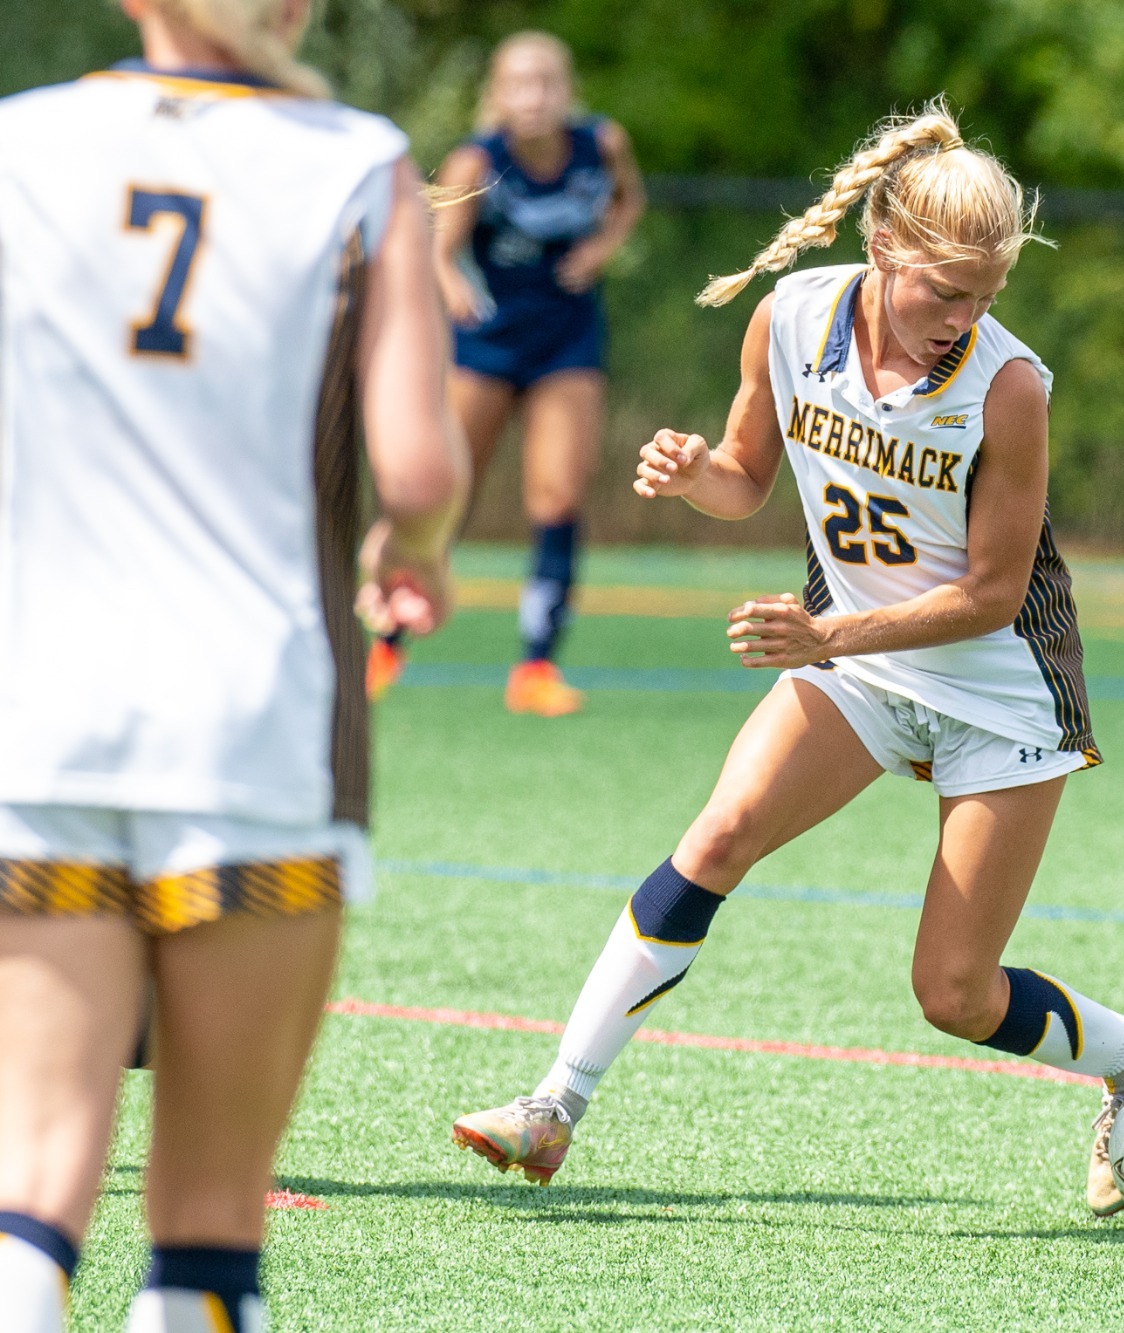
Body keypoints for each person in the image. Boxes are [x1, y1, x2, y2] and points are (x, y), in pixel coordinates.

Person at [449, 102, 1124, 1219]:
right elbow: (745, 478)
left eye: (985, 296)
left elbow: (991, 593)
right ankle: (554, 1105)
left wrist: (828, 633)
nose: (962, 317)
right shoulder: (790, 317)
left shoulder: (1008, 388)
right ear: (883, 247)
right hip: (857, 668)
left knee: (951, 993)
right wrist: (693, 465)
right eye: (945, 290)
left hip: (997, 691)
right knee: (716, 835)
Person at [0, 1, 467, 1328]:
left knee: (28, 1197)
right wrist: (410, 544)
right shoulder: (356, 159)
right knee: (208, 1231)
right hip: (255, 727)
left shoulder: (20, 144)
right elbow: (423, 464)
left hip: (40, 718)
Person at [367, 30, 645, 717]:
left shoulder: (601, 144)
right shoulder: (475, 161)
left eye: (547, 82)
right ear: (498, 94)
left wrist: (602, 248)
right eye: (520, 83)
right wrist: (451, 283)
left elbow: (628, 201)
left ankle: (536, 667)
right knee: (441, 496)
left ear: (567, 89)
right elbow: (438, 247)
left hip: (567, 341)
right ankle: (385, 644)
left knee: (557, 499)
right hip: (487, 344)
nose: (535, 97)